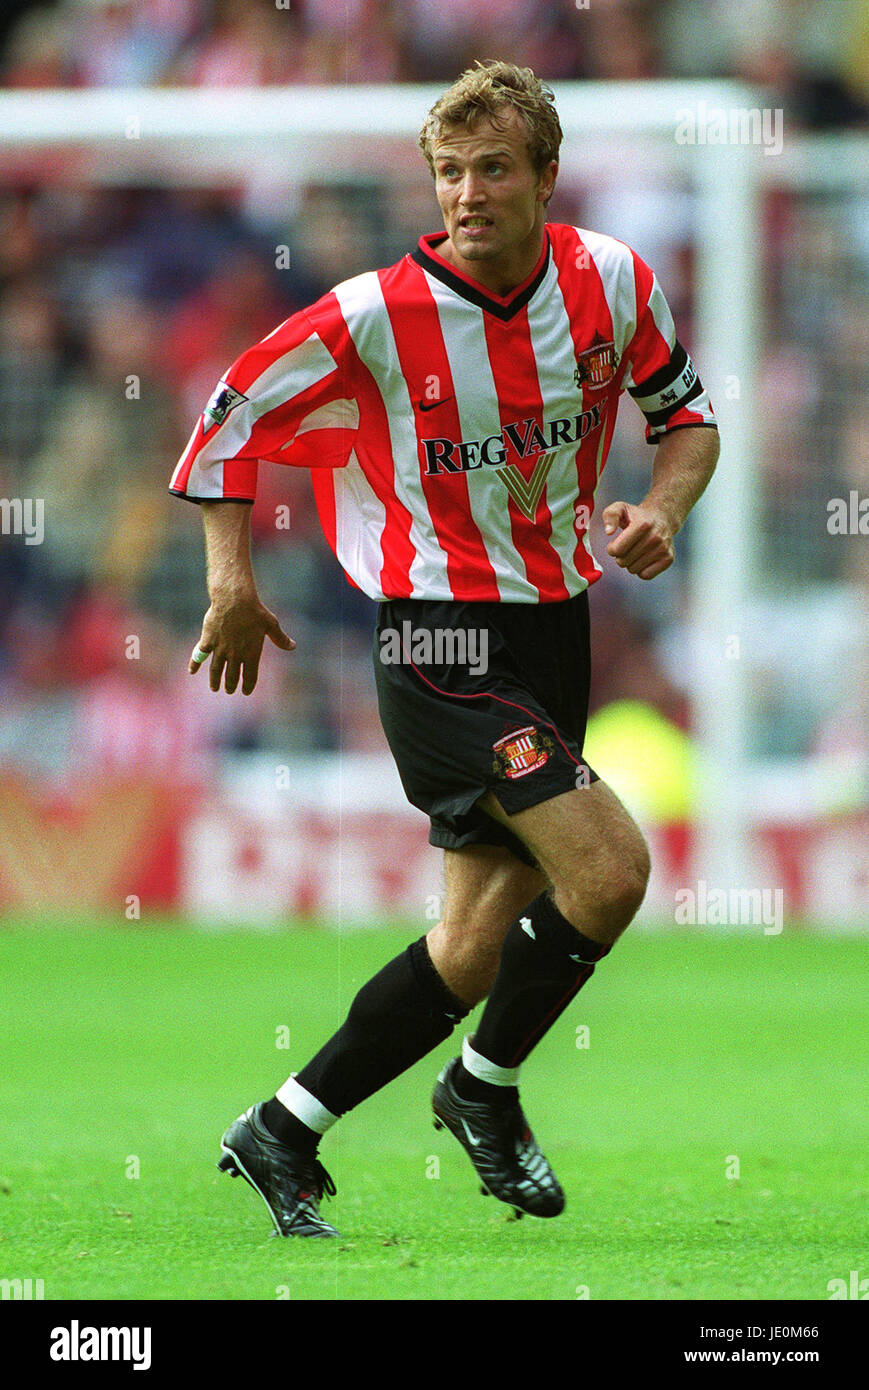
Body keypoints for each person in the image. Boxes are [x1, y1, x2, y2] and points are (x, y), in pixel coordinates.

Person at [170, 61, 719, 1237]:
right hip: (437, 639)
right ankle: (482, 1089)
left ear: (544, 177)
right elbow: (229, 415)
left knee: (469, 944)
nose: (466, 194)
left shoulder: (611, 280)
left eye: (492, 170)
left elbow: (686, 416)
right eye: (448, 173)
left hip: (552, 627)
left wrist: (662, 509)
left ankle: (282, 1127)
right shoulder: (376, 313)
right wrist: (229, 582)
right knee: (610, 871)